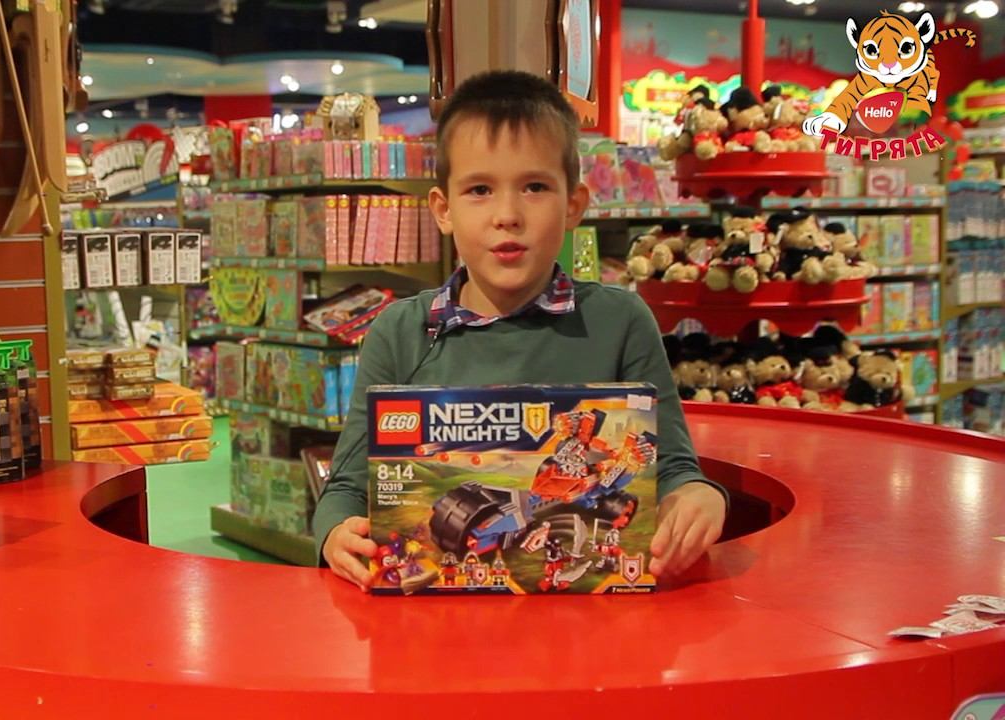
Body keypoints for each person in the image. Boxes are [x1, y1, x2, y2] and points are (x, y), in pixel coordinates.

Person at [311, 70, 728, 591]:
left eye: (534, 187)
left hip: (592, 624)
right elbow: (347, 487)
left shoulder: (621, 322)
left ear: (573, 204)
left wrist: (699, 496)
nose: (507, 215)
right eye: (479, 190)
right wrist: (335, 534)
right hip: (433, 625)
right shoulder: (400, 330)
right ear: (443, 210)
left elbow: (673, 469)